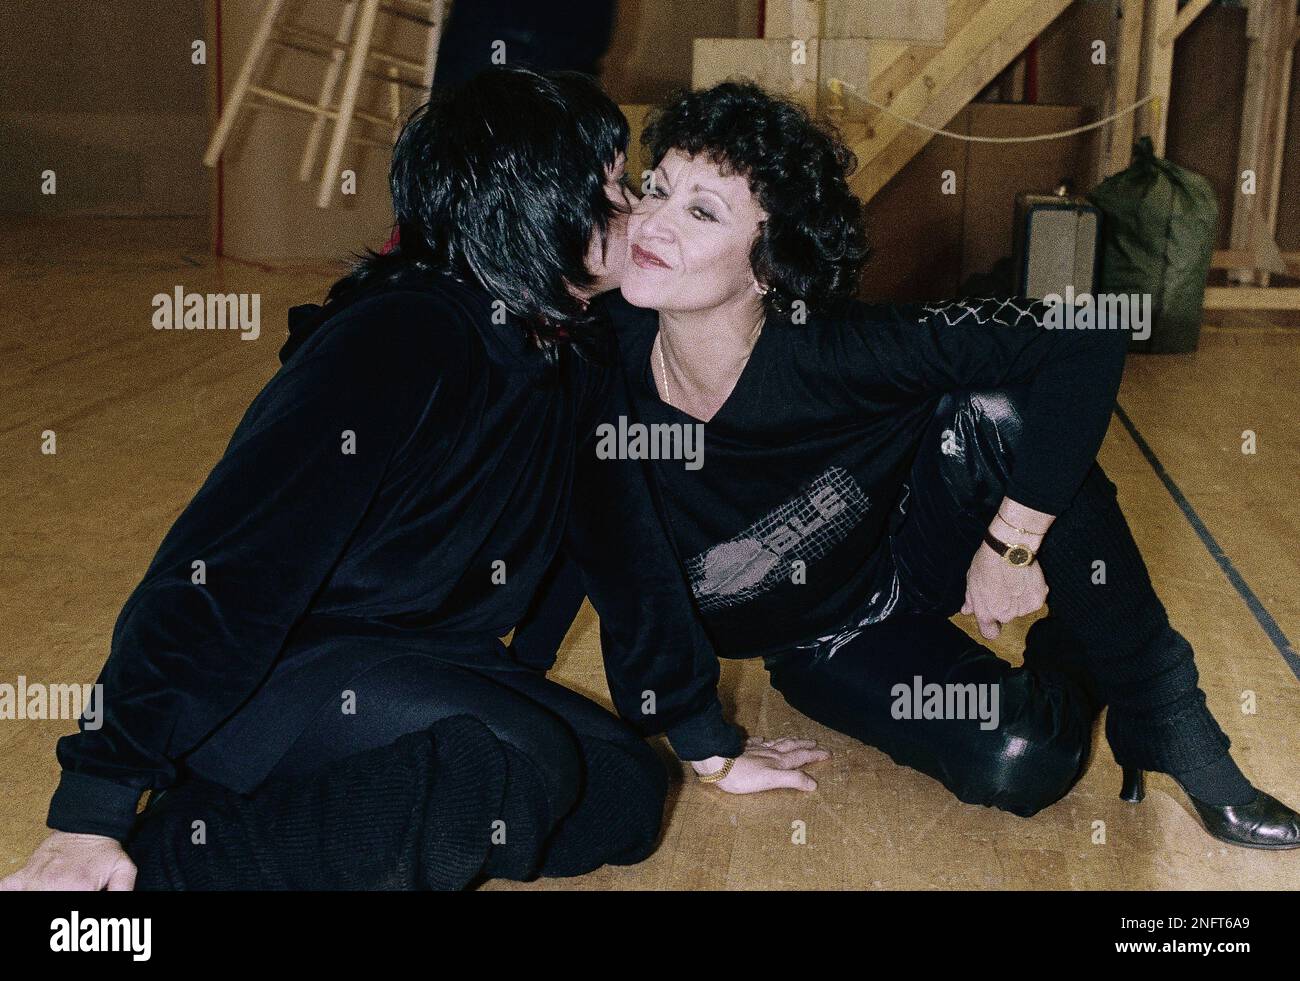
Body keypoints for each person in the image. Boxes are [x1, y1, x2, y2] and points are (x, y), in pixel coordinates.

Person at [519, 81, 1300, 848]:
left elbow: (1086, 332)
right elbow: (591, 546)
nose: (651, 220)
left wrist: (1012, 541)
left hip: (918, 542)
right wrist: (530, 686)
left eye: (702, 210)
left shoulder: (836, 350)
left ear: (767, 266)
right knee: (1024, 760)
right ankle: (1078, 650)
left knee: (1002, 411)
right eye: (654, 189)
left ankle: (1167, 716)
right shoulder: (598, 361)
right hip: (825, 642)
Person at [1, 66, 666, 892]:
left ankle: (237, 813)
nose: (636, 208)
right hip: (279, 670)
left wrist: (704, 732)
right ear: (529, 200)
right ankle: (161, 878)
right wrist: (93, 801)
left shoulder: (571, 345)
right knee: (514, 760)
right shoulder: (401, 334)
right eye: (610, 187)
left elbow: (617, 546)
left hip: (407, 658)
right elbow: (226, 565)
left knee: (625, 790)